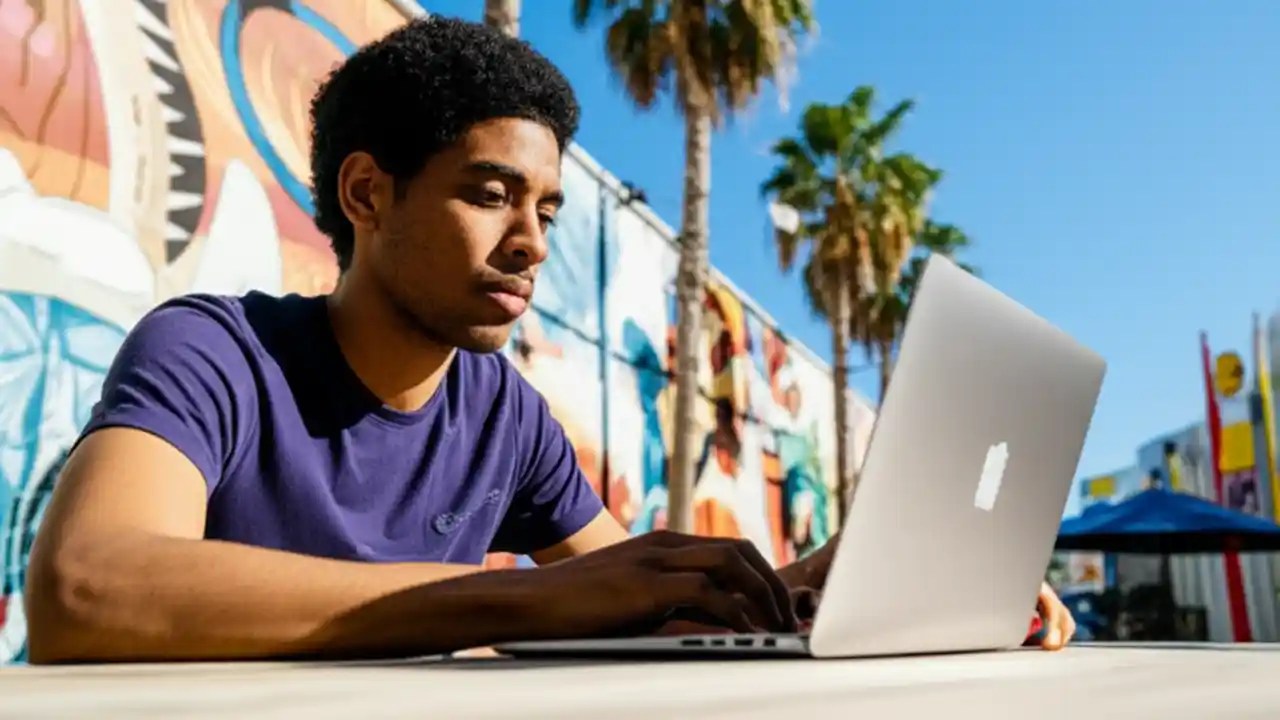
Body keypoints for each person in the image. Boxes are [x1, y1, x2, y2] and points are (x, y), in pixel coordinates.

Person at [23, 16, 1074, 664]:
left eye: (549, 211)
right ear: (368, 193)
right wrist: (523, 597)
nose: (529, 244)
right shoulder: (213, 352)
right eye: (490, 196)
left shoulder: (499, 411)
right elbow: (90, 587)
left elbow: (645, 591)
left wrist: (851, 580)